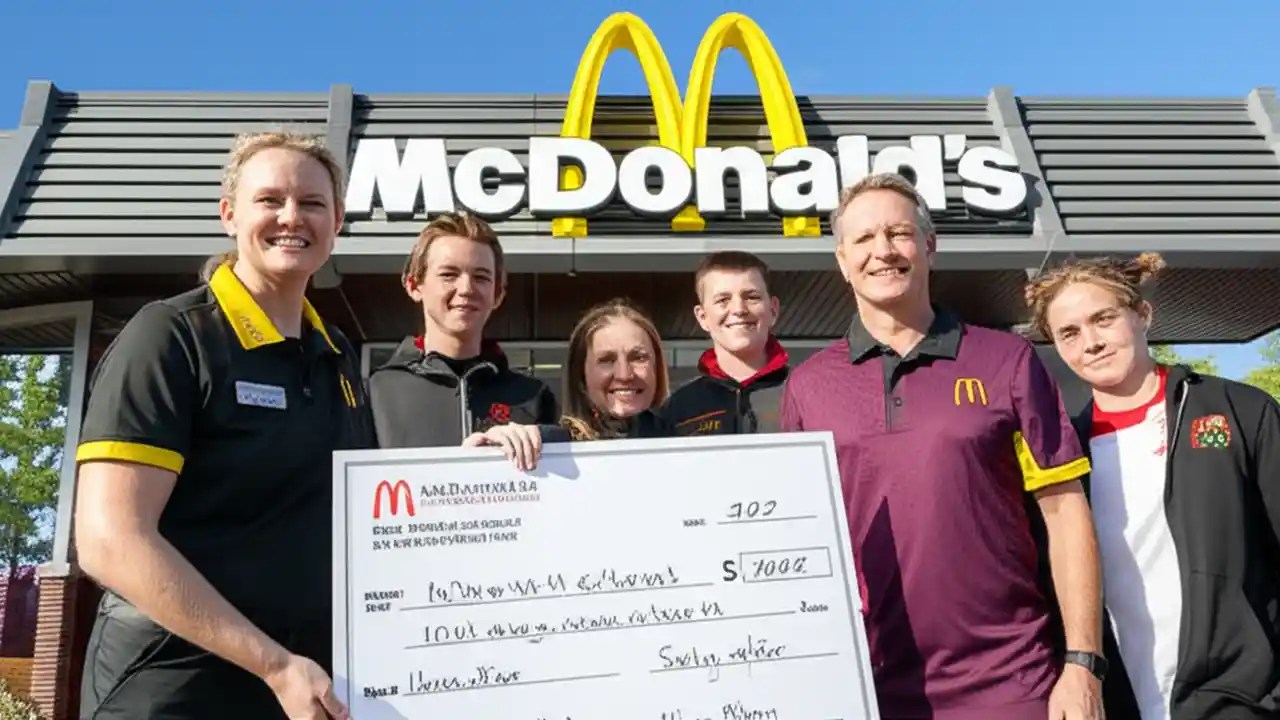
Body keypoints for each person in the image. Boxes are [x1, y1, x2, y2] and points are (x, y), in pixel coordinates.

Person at [780, 172, 1105, 720]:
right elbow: (795, 542)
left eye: (899, 233)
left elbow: (1066, 511)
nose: (882, 251)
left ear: (929, 246)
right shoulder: (808, 386)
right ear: (841, 259)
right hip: (865, 687)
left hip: (1010, 681)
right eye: (863, 239)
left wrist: (1082, 662)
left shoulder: (1006, 361)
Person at [73, 131, 374, 719]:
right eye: (270, 200)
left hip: (298, 689)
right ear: (229, 213)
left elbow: (358, 506)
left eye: (312, 203)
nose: (292, 217)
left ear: (336, 220)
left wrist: (466, 471)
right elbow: (110, 540)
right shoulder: (171, 336)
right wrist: (272, 663)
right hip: (173, 690)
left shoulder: (337, 353)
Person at [1026, 252, 1280, 720]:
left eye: (1103, 319)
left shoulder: (1239, 411)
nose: (1092, 342)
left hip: (1239, 700)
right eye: (1070, 333)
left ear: (1142, 315)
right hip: (1120, 698)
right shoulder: (1061, 459)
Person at [368, 211, 559, 448]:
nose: (466, 288)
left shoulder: (533, 397)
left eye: (481, 277)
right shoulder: (375, 392)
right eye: (449, 275)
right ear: (414, 285)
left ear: (498, 294)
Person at [466, 298, 672, 468]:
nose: (625, 374)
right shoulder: (550, 447)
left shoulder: (687, 434)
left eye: (639, 357)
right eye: (606, 360)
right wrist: (498, 444)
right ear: (581, 375)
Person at [662, 250, 790, 435]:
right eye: (723, 300)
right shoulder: (678, 407)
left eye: (751, 297)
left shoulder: (806, 392)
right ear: (702, 317)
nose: (738, 309)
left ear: (773, 309)